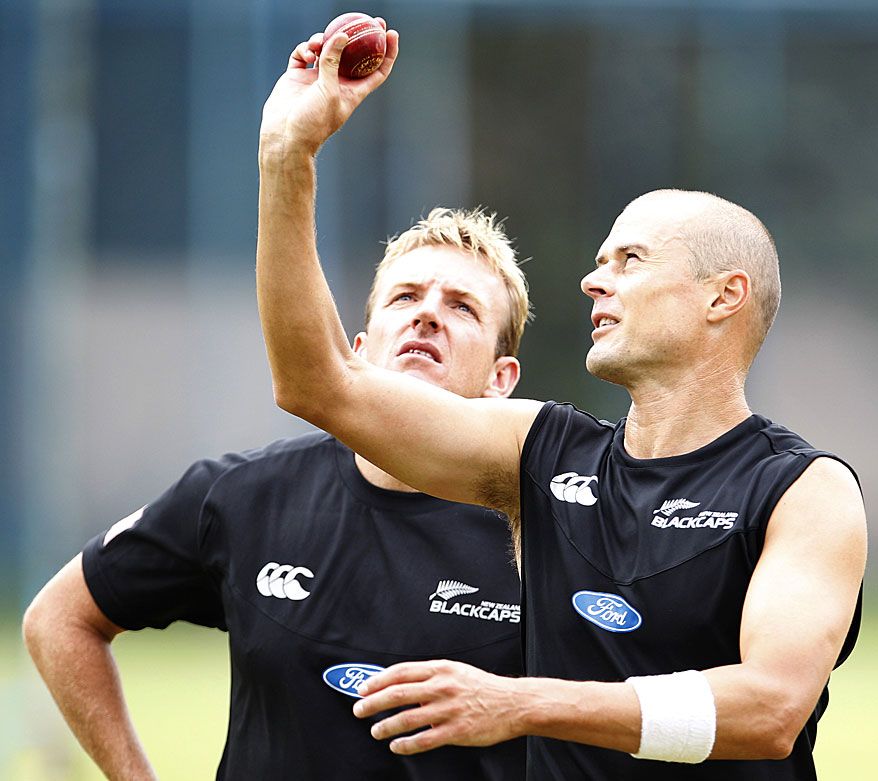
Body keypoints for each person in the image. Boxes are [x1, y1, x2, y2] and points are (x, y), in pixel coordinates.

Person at [253, 21, 867, 781]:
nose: (592, 280)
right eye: (600, 259)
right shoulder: (541, 451)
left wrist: (520, 703)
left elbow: (770, 710)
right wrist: (289, 156)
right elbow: (319, 386)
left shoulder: (805, 490)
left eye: (630, 260)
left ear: (724, 296)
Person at [24, 117, 531, 781]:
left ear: (502, 382)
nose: (428, 312)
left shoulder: (551, 524)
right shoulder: (245, 496)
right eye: (406, 296)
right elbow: (58, 619)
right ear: (358, 349)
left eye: (462, 307)